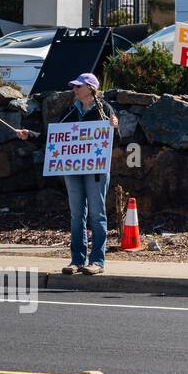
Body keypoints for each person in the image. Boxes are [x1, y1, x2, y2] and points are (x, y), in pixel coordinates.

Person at [44, 73, 119, 275]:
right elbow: (55, 136)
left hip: (95, 171)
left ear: (91, 89)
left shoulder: (105, 110)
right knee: (77, 215)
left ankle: (97, 261)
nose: (74, 89)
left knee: (97, 214)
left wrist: (114, 126)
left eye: (79, 86)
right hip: (73, 169)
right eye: (74, 86)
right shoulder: (71, 110)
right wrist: (30, 134)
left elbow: (116, 141)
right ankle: (77, 260)